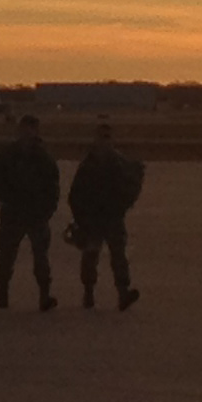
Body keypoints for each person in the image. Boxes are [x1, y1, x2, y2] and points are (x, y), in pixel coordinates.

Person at [66, 118, 146, 311]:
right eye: (102, 137)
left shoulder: (120, 163)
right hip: (92, 219)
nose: (105, 141)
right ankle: (89, 293)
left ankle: (122, 292)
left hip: (113, 217)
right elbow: (75, 194)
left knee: (118, 255)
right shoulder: (87, 166)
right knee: (91, 255)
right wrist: (81, 218)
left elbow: (131, 185)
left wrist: (123, 205)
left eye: (108, 137)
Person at [0, 113, 62, 310]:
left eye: (31, 129)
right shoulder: (7, 155)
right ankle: (3, 291)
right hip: (13, 213)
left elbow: (53, 187)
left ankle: (44, 295)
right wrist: (8, 200)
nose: (27, 133)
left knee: (41, 257)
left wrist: (46, 210)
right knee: (6, 255)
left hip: (36, 214)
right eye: (24, 128)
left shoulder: (44, 158)